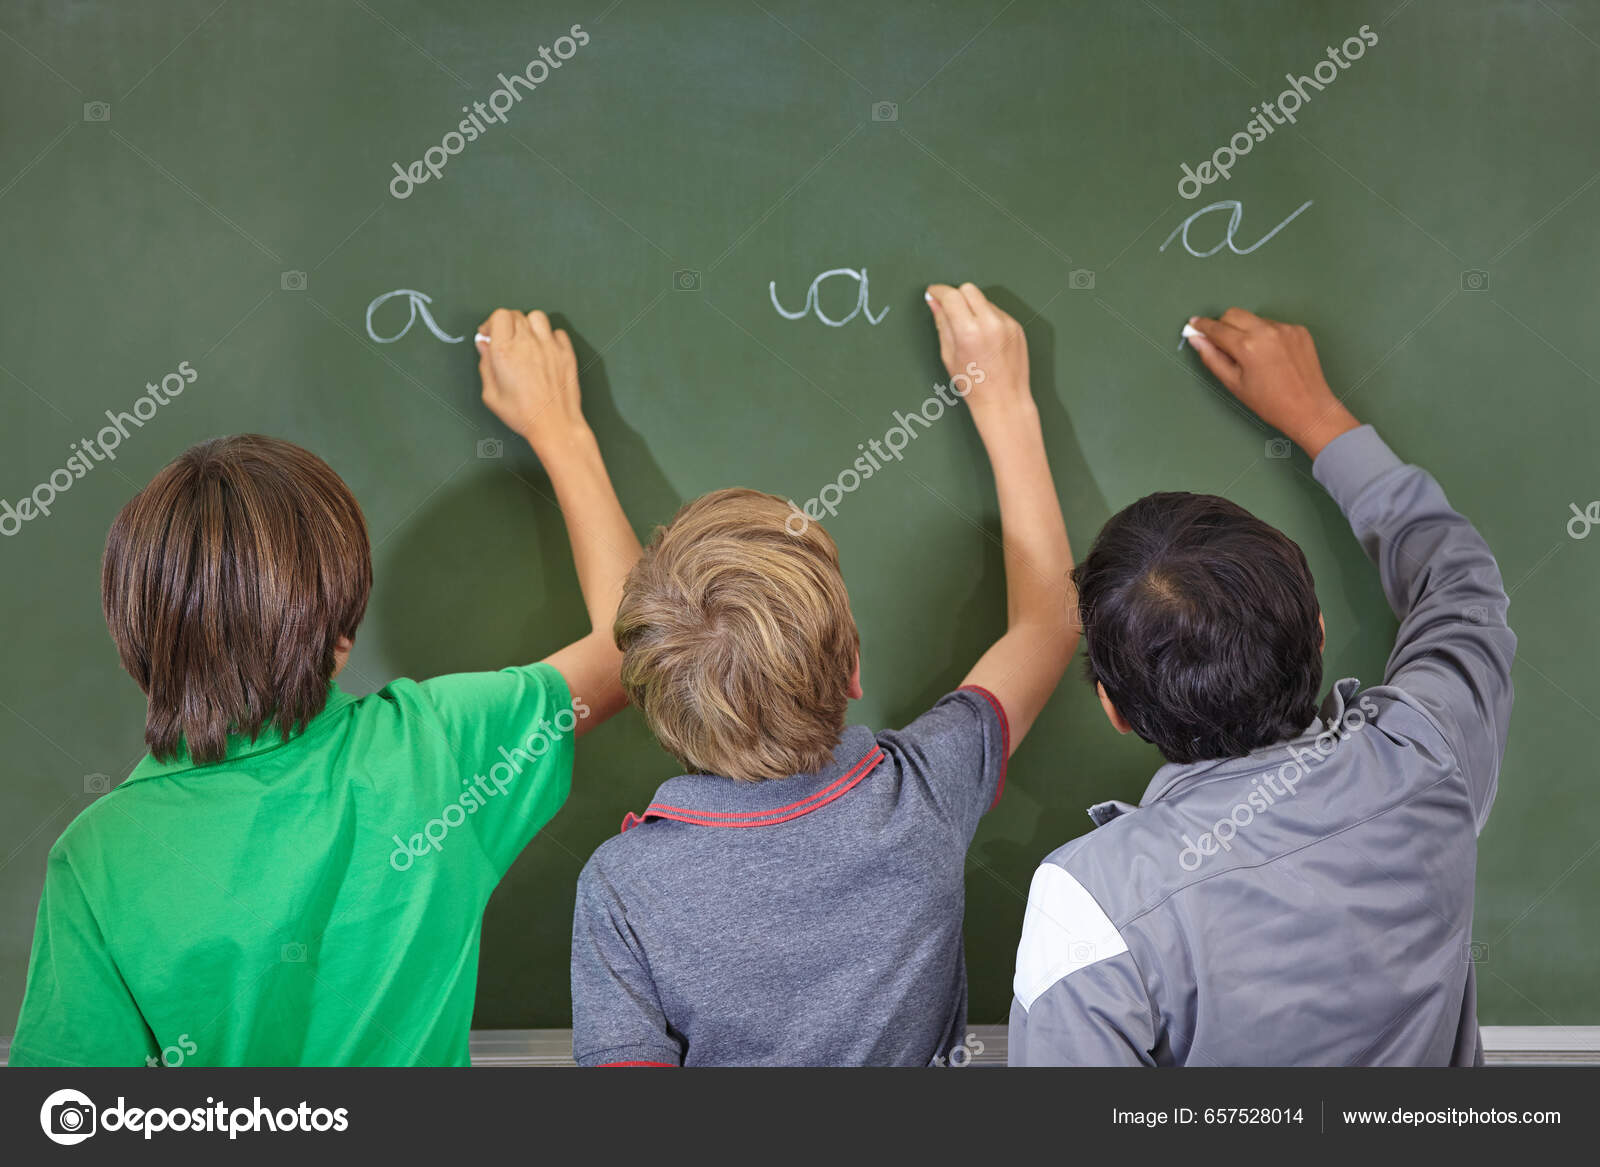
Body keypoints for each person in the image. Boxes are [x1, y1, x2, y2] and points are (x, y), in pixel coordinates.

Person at [11, 308, 639, 1066]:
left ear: (134, 641)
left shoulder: (99, 860)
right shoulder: (438, 750)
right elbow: (632, 645)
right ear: (339, 640)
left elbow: (69, 1121)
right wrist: (560, 428)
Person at [569, 283, 1078, 1066]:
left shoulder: (623, 888)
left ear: (653, 704)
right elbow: (1050, 620)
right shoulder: (924, 792)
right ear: (854, 669)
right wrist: (1005, 402)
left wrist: (561, 431)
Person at [1009, 309, 1515, 1066]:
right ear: (1316, 628)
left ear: (1113, 707)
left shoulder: (1092, 901)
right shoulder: (1428, 756)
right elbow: (1461, 584)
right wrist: (1318, 416)